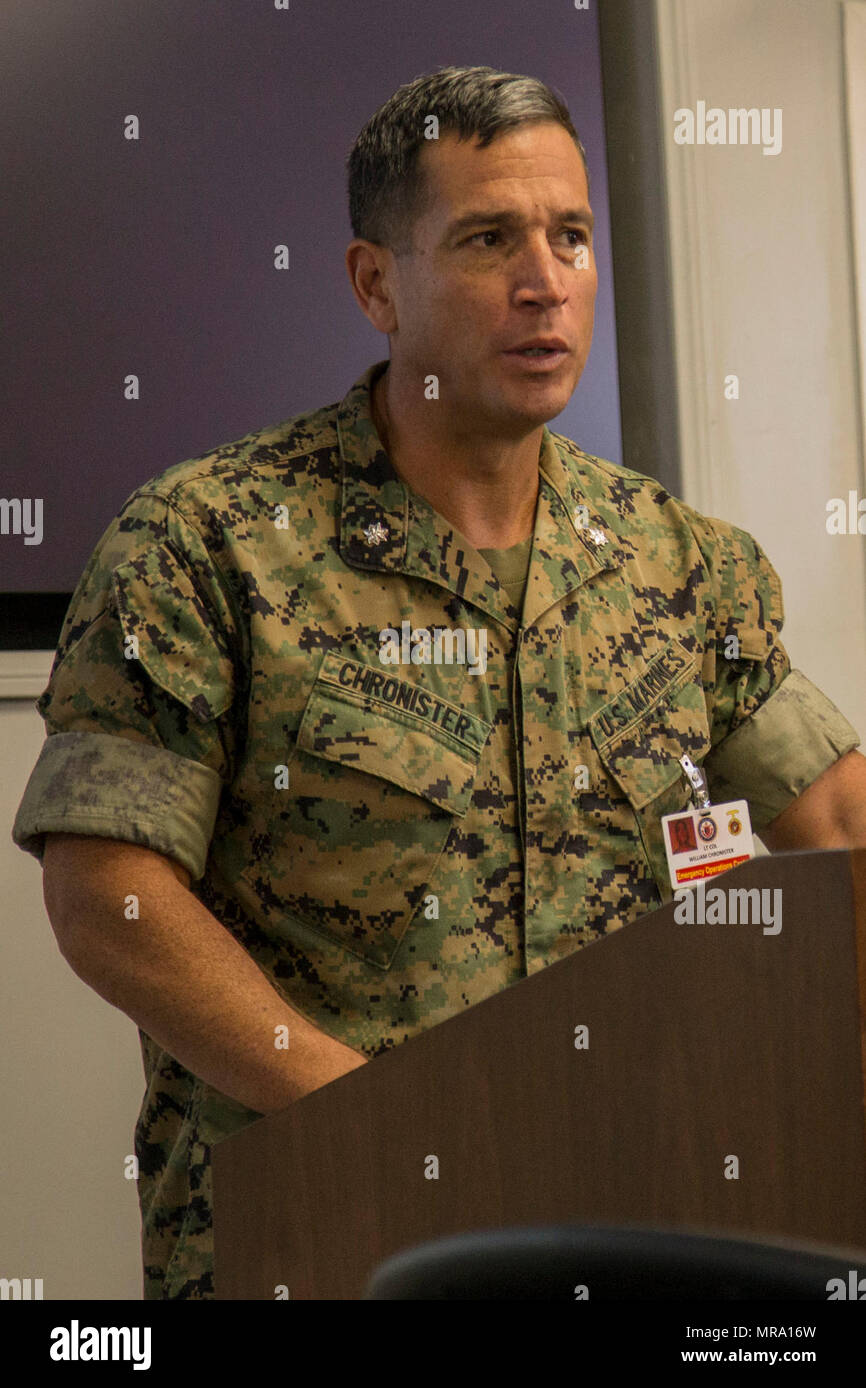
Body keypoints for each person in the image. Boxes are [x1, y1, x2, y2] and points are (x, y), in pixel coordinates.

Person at [11, 65, 865, 1300]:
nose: (545, 281)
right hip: (324, 1233)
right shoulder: (209, 542)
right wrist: (387, 1122)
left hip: (624, 1226)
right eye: (487, 239)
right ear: (375, 284)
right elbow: (110, 901)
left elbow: (835, 830)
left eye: (569, 235)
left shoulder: (680, 564)